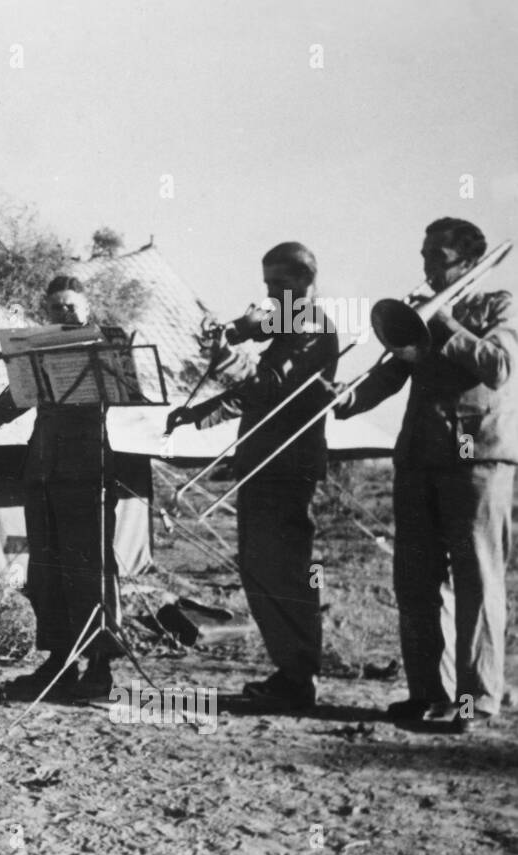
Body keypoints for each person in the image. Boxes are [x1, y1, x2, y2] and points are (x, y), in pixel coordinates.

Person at [331, 218, 516, 733]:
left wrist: (446, 323)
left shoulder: (496, 304)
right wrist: (346, 399)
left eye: (438, 256)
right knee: (415, 580)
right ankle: (427, 693)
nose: (427, 265)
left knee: (477, 579)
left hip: (476, 458)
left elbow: (498, 366)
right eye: (425, 254)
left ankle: (476, 698)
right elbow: (393, 372)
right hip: (418, 457)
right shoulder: (421, 315)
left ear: (468, 263)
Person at [167, 243, 338, 711]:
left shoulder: (309, 323)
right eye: (266, 287)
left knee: (282, 571)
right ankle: (291, 674)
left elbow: (268, 385)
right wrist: (198, 412)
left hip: (286, 465)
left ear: (305, 281)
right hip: (264, 462)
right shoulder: (285, 321)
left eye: (280, 286)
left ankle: (300, 678)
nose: (270, 297)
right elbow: (251, 389)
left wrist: (226, 354)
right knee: (262, 569)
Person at [0, 275, 122, 701]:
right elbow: (12, 401)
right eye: (56, 308)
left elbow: (128, 395)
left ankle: (101, 666)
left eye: (71, 307)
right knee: (46, 570)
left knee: (92, 570)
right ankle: (60, 661)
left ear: (87, 308)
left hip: (88, 474)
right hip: (44, 473)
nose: (64, 315)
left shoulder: (106, 347)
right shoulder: (38, 351)